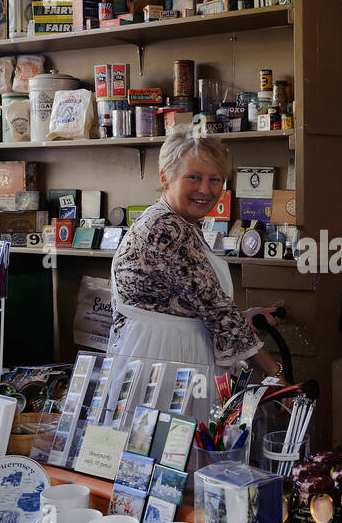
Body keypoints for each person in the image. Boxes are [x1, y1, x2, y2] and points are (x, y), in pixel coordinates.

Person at [106, 127, 282, 407]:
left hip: (154, 353)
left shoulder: (174, 221)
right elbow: (216, 311)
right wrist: (277, 375)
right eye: (194, 178)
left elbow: (194, 299)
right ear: (166, 177)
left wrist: (243, 315)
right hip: (165, 360)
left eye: (215, 180)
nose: (205, 189)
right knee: (169, 442)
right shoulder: (167, 229)